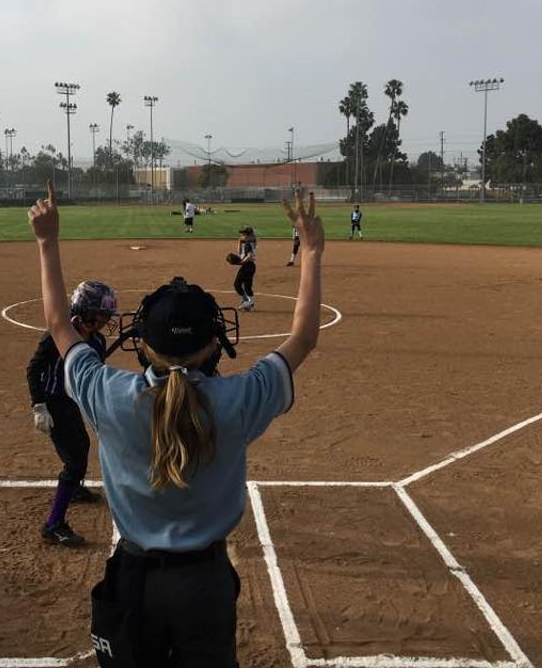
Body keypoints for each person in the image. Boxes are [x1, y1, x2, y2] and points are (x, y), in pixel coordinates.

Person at [27, 179, 324, 668]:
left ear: (142, 344)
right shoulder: (238, 399)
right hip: (204, 586)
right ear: (215, 343)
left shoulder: (109, 395)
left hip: (133, 578)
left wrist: (47, 242)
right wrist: (310, 250)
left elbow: (60, 324)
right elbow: (305, 337)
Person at [26, 280, 118, 547]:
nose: (105, 321)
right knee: (75, 460)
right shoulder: (59, 336)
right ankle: (53, 525)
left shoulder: (97, 341)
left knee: (81, 445)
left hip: (70, 402)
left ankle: (74, 489)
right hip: (54, 404)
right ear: (86, 311)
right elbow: (33, 369)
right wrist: (38, 405)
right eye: (101, 315)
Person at [234, 226, 257, 311]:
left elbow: (249, 256)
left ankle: (247, 302)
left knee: (237, 284)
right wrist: (239, 242)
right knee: (247, 286)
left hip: (247, 266)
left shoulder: (247, 244)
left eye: (243, 235)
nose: (241, 236)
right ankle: (250, 304)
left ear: (248, 235)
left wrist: (241, 262)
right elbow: (239, 252)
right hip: (252, 266)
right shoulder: (251, 242)